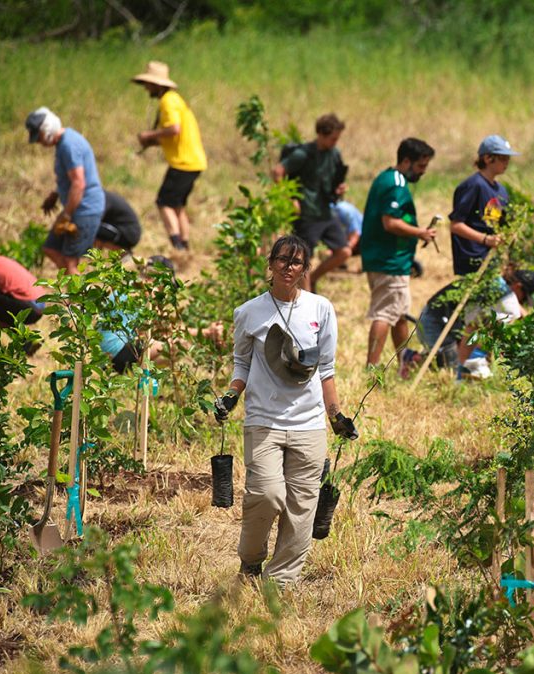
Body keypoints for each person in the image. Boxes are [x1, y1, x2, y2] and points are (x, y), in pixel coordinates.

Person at [213, 234, 357, 586]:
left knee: (302, 507)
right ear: (271, 263)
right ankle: (250, 561)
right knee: (267, 493)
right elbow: (241, 364)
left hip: (308, 424)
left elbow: (326, 369)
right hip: (264, 419)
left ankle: (281, 584)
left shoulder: (321, 309)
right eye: (282, 260)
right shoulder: (249, 312)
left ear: (306, 268)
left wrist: (335, 415)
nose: (288, 267)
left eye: (296, 262)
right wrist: (231, 395)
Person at [360, 138, 436, 369]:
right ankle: (372, 370)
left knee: (399, 313)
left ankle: (404, 362)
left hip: (390, 259)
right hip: (388, 261)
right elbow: (390, 222)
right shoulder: (395, 184)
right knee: (384, 313)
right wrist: (420, 232)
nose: (423, 172)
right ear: (406, 161)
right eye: (421, 166)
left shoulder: (387, 177)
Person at [98, 255, 223, 373]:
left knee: (157, 342)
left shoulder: (129, 286)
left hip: (102, 354)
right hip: (117, 352)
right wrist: (207, 332)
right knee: (178, 346)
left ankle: (138, 379)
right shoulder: (148, 291)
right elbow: (165, 330)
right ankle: (142, 381)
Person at [132, 61, 207, 252]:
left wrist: (149, 135)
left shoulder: (168, 101)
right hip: (194, 162)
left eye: (148, 84)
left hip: (183, 163)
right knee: (178, 205)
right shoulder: (175, 99)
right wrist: (154, 141)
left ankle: (177, 245)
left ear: (157, 85)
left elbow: (174, 129)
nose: (146, 88)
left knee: (164, 202)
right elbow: (175, 135)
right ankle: (185, 245)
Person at [272, 114, 350, 290]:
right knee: (303, 258)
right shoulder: (303, 154)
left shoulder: (334, 154)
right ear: (321, 134)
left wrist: (339, 189)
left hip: (326, 211)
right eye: (332, 139)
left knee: (344, 251)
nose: (335, 142)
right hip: (307, 214)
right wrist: (288, 198)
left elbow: (334, 178)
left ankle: (313, 279)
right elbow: (278, 171)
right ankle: (307, 297)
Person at [415, 268, 534, 378]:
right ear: (517, 286)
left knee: (452, 363)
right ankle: (412, 359)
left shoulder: (495, 286)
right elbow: (477, 329)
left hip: (438, 321)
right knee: (450, 370)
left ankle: (418, 358)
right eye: (522, 297)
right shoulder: (497, 291)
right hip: (434, 323)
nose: (521, 301)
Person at [26, 107, 105, 274]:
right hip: (75, 207)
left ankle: (78, 297)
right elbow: (70, 179)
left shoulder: (69, 145)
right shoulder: (64, 143)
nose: (39, 142)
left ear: (46, 130)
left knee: (70, 261)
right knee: (50, 248)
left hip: (85, 209)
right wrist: (55, 195)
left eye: (38, 137)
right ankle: (79, 290)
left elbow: (79, 183)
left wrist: (67, 215)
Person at [449, 135, 520, 276]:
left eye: (508, 159)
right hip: (472, 260)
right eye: (502, 158)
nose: (507, 163)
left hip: (491, 260)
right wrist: (485, 240)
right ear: (488, 159)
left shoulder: (501, 190)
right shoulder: (473, 185)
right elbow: (455, 225)